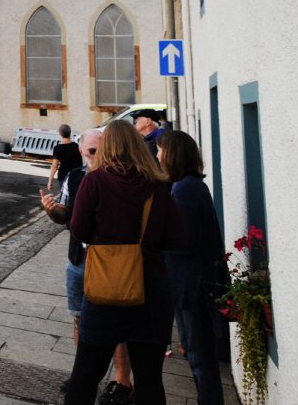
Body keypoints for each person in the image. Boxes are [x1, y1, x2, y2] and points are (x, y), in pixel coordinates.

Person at [63, 121, 186, 405]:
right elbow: (178, 238)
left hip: (107, 287)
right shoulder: (157, 185)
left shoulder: (95, 181)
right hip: (151, 289)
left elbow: (78, 229)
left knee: (86, 374)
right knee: (150, 379)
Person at [157, 131, 225, 405]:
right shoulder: (193, 185)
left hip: (191, 285)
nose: (158, 155)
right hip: (195, 281)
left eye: (161, 150)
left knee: (199, 355)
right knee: (199, 353)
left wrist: (156, 239)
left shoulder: (184, 188)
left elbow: (186, 240)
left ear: (173, 154)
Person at [41, 127, 103, 342]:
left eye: (101, 150)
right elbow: (64, 215)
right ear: (81, 150)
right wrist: (51, 210)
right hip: (79, 258)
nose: (96, 156)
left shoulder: (118, 177)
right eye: (92, 151)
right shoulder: (75, 178)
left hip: (110, 260)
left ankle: (122, 376)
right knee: (79, 318)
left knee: (114, 324)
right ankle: (82, 371)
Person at [47, 123, 83, 192]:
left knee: (64, 199)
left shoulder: (57, 148)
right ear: (70, 133)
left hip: (63, 177)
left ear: (60, 134)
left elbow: (54, 166)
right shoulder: (77, 146)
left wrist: (50, 181)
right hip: (77, 176)